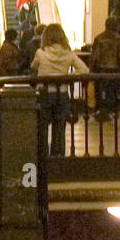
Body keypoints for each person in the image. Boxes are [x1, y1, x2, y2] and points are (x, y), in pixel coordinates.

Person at [30, 23, 88, 156]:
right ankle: (58, 156)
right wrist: (67, 77)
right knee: (60, 127)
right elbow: (84, 70)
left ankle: (42, 156)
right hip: (62, 93)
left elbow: (33, 67)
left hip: (44, 93)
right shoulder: (69, 53)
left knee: (42, 126)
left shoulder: (40, 53)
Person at [91, 16, 120, 113]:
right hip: (115, 70)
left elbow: (95, 57)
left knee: (99, 93)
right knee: (113, 93)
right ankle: (112, 111)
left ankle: (100, 111)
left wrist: (92, 70)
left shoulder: (98, 38)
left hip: (101, 70)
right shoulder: (119, 39)